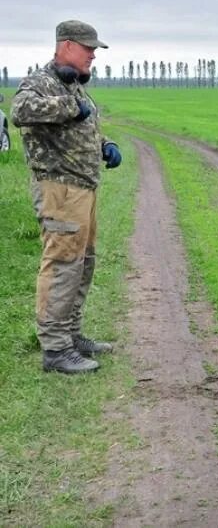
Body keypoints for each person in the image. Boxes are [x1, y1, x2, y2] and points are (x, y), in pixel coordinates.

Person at [11, 20, 120, 374]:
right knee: (61, 265)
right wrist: (70, 107)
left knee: (82, 263)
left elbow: (86, 127)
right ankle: (55, 349)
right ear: (67, 45)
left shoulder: (74, 86)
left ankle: (72, 336)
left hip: (83, 189)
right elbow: (20, 111)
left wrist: (105, 145)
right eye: (88, 48)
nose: (92, 55)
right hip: (59, 189)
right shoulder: (41, 83)